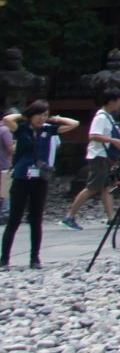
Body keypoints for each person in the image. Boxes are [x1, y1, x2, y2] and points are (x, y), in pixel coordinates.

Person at [2, 101, 78, 268]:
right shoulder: (22, 129)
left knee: (36, 219)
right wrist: (24, 116)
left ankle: (34, 258)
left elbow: (74, 124)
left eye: (44, 115)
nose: (41, 118)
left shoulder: (48, 130)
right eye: (39, 115)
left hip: (40, 178)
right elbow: (7, 119)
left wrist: (54, 119)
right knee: (14, 219)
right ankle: (4, 258)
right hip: (22, 177)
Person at [61, 89, 120, 229]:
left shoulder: (107, 116)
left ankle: (112, 218)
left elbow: (117, 129)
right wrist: (113, 140)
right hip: (98, 156)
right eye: (119, 100)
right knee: (92, 187)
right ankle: (69, 217)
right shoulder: (101, 117)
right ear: (112, 101)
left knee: (106, 188)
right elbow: (93, 135)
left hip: (104, 157)